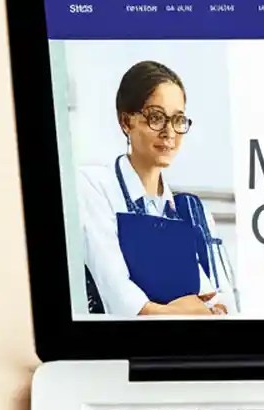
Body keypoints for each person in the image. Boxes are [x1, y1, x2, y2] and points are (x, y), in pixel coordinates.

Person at [77, 61, 227, 317]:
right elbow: (120, 298)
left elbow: (218, 303)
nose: (169, 132)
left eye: (178, 119)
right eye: (156, 118)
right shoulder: (94, 186)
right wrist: (176, 313)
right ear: (126, 121)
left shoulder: (189, 210)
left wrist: (200, 311)